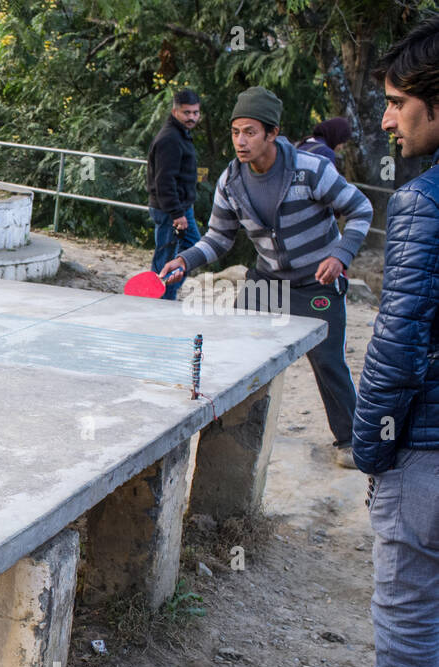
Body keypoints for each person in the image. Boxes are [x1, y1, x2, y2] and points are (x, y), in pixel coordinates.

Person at [300, 15, 439, 667]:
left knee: (409, 600)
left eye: (396, 103)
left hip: (428, 442)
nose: (386, 119)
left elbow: (398, 344)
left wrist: (372, 446)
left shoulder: (424, 201)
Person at [160, 87, 373, 469]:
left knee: (327, 361)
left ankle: (350, 439)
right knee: (236, 350)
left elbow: (360, 209)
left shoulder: (312, 170)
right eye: (235, 132)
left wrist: (341, 255)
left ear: (272, 134)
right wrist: (186, 260)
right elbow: (219, 238)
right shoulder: (231, 180)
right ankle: (223, 428)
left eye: (251, 132)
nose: (241, 141)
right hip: (268, 283)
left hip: (316, 285)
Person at [147, 89, 202, 301]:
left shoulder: (180, 135)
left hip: (178, 208)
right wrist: (177, 213)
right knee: (168, 254)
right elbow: (164, 181)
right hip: (170, 210)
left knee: (184, 252)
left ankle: (163, 296)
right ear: (175, 111)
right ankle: (160, 298)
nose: (192, 117)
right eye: (187, 112)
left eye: (195, 113)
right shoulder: (170, 139)